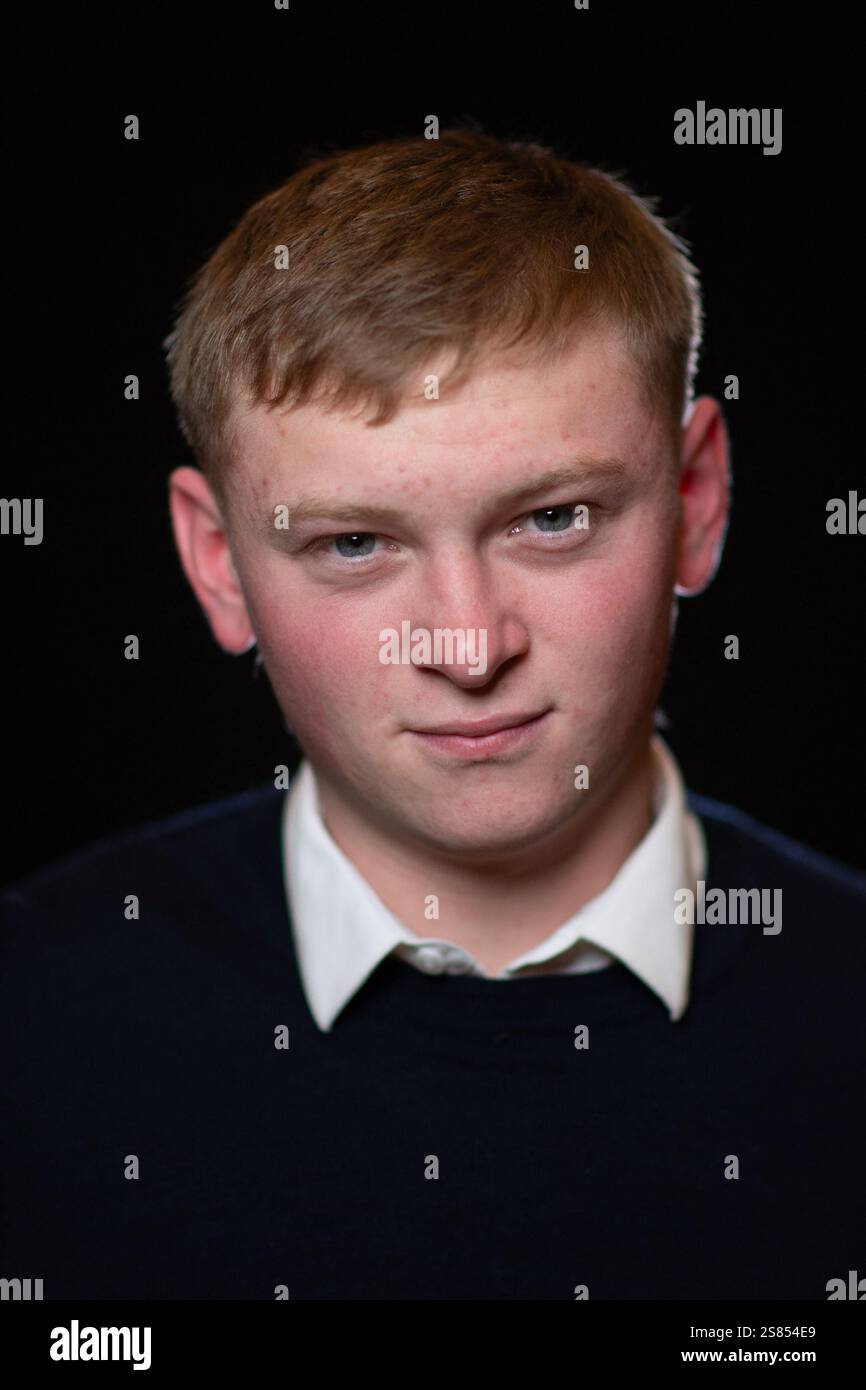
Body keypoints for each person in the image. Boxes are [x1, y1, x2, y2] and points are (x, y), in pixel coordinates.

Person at [2, 129, 864, 1301]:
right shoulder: (30, 1016)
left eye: (552, 519)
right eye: (354, 543)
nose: (467, 648)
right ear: (217, 564)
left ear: (695, 498)